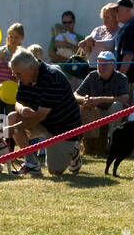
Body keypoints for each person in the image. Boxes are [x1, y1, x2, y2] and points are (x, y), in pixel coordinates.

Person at [6, 48, 83, 176]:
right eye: (15, 74)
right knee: (12, 117)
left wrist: (11, 129)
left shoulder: (52, 77)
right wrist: (22, 109)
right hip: (45, 122)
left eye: (18, 74)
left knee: (54, 171)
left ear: (31, 68)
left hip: (64, 129)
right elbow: (18, 102)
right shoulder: (25, 77)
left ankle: (73, 152)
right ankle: (32, 164)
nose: (16, 77)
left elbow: (39, 116)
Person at [75, 50, 131, 153]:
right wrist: (85, 99)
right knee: (82, 107)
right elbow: (75, 95)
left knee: (117, 106)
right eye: (99, 63)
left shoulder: (121, 78)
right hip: (96, 111)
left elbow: (125, 99)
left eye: (104, 64)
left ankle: (111, 142)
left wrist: (99, 100)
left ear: (113, 65)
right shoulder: (92, 76)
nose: (101, 66)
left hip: (111, 111)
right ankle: (85, 144)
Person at [0, 23, 26, 117]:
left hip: (13, 90)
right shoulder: (0, 51)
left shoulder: (23, 54)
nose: (13, 40)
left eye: (16, 37)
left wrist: (13, 67)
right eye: (11, 37)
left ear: (22, 37)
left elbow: (23, 76)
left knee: (11, 116)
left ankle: (9, 132)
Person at [111, 0, 134, 84]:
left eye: (118, 10)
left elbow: (128, 56)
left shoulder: (131, 28)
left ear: (128, 10)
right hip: (132, 77)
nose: (115, 13)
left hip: (129, 79)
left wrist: (120, 79)